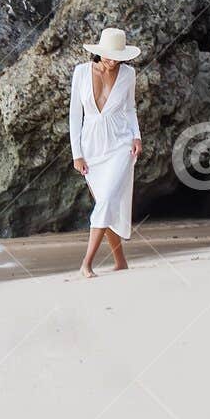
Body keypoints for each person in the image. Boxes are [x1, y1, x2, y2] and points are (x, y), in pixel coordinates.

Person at [68, 27, 142, 278]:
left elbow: (130, 108)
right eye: (109, 56)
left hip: (120, 143)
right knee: (104, 203)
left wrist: (137, 136)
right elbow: (74, 115)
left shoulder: (128, 74)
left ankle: (86, 263)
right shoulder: (81, 72)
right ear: (100, 53)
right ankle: (120, 261)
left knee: (108, 199)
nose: (113, 62)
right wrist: (76, 153)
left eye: (118, 57)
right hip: (91, 147)